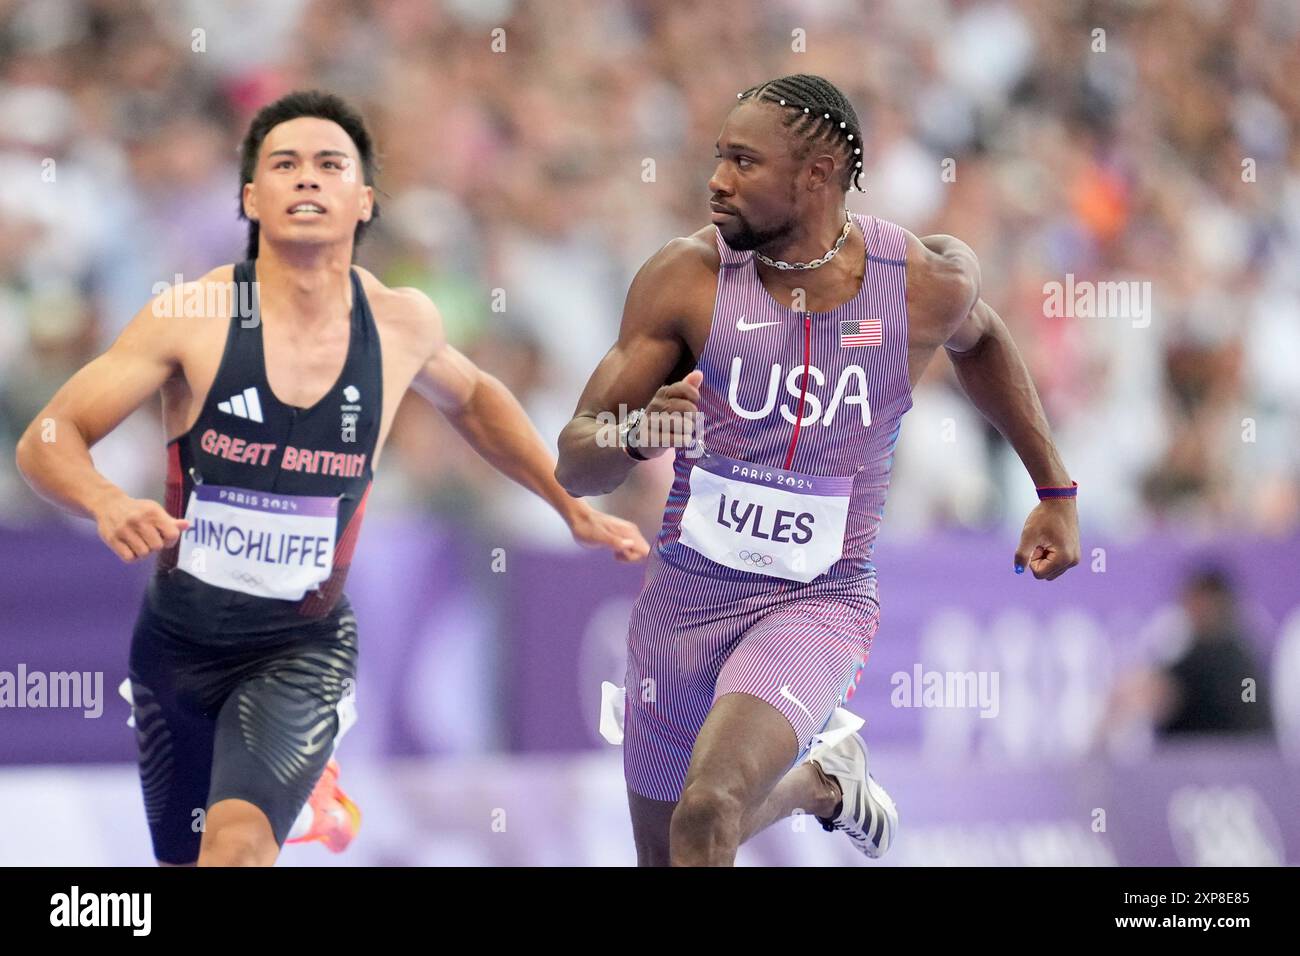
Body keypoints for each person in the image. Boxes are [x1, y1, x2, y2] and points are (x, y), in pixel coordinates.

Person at [15, 90, 647, 867]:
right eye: (284, 165)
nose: (307, 180)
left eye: (329, 165)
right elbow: (48, 436)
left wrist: (565, 502)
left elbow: (477, 401)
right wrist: (105, 499)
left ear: (364, 199)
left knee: (236, 852)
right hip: (177, 644)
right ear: (252, 197)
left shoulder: (400, 324)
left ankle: (301, 781)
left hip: (301, 644)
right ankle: (313, 796)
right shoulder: (193, 314)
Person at [556, 74, 1080, 866]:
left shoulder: (916, 282)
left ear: (817, 177)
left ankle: (810, 779)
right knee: (670, 851)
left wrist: (1054, 491)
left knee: (710, 807)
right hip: (683, 603)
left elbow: (986, 342)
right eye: (717, 157)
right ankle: (821, 784)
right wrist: (637, 433)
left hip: (817, 602)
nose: (717, 180)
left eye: (743, 161)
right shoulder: (686, 279)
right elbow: (574, 461)